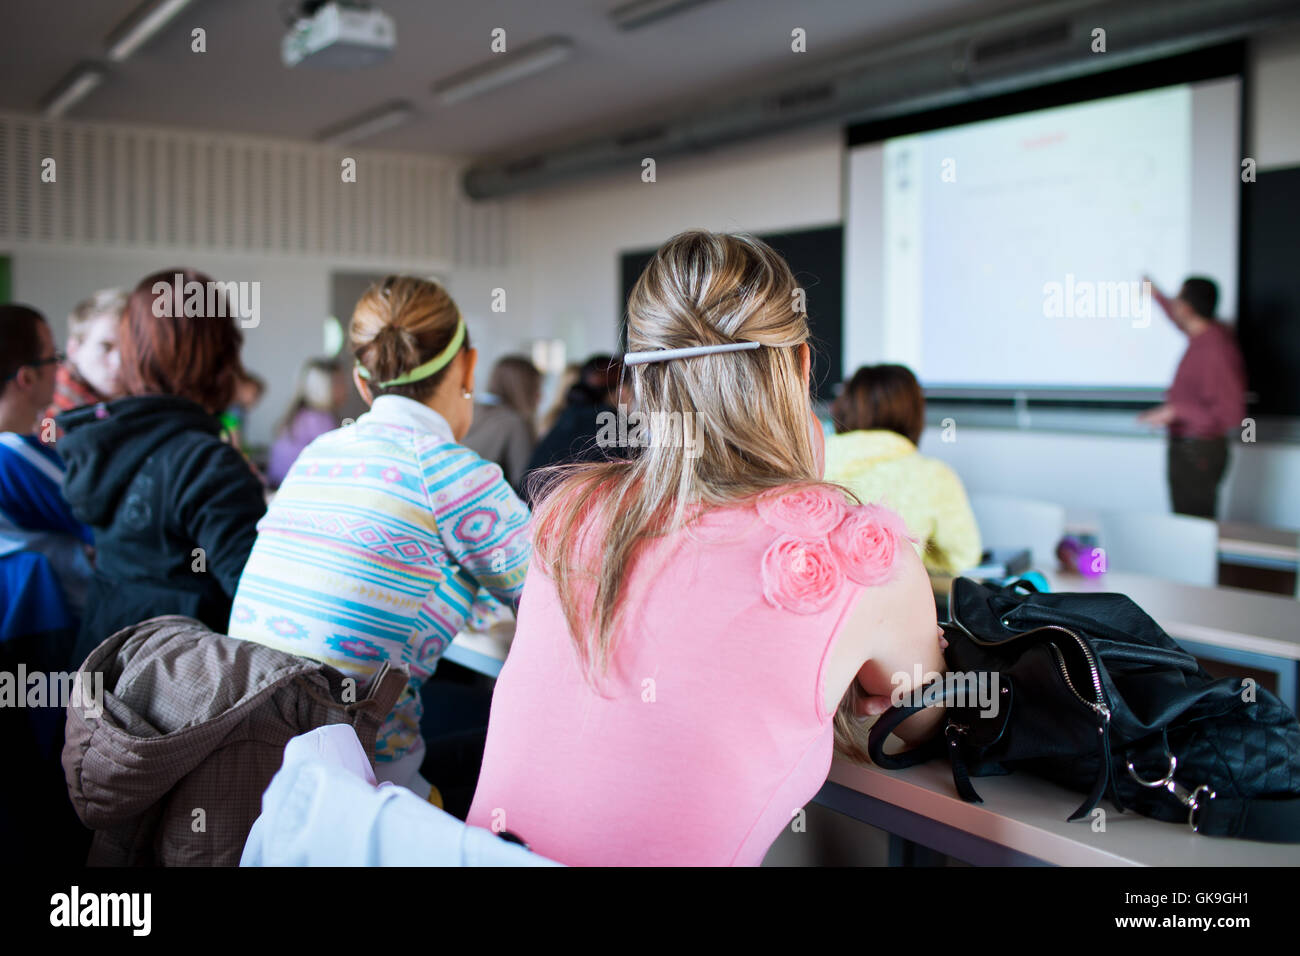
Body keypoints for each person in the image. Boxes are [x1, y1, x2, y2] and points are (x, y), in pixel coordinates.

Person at [467, 231, 944, 866]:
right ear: (799, 367)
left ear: (637, 383)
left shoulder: (569, 512)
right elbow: (920, 721)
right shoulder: (860, 552)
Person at [227, 276, 531, 797]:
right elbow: (566, 603)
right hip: (361, 788)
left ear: (363, 383)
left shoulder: (318, 454)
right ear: (468, 367)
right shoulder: (455, 474)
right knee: (518, 739)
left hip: (250, 764)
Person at [57, 269, 267, 667]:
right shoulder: (204, 461)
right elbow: (261, 610)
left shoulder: (105, 443)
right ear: (222, 353)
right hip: (182, 703)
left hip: (97, 691)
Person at [824, 364, 981, 575]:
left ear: (844, 407)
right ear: (915, 414)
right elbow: (964, 558)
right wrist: (921, 555)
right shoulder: (933, 476)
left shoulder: (807, 463)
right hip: (894, 602)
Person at [0, 305, 94, 625]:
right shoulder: (13, 455)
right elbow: (104, 525)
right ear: (27, 378)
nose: (60, 368)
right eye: (53, 357)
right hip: (57, 637)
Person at [1138, 276, 1247, 518]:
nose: (1174, 304)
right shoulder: (1202, 335)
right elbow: (1175, 316)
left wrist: (1177, 411)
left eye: (1178, 299)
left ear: (1187, 308)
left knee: (1193, 528)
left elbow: (1232, 414)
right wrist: (1154, 292)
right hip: (1188, 447)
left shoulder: (1217, 349)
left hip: (1199, 451)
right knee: (1184, 523)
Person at [522, 353, 629, 502]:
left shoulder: (567, 416)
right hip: (565, 515)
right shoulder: (612, 424)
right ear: (622, 390)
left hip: (538, 511)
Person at [42, 289, 127, 440]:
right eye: (106, 347)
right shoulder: (44, 411)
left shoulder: (142, 402)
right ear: (73, 349)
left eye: (129, 348)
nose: (118, 361)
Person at [462, 355, 542, 497]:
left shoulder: (465, 410)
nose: (541, 395)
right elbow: (526, 480)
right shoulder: (513, 422)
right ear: (524, 389)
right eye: (536, 387)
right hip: (492, 506)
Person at [266, 358, 346, 487]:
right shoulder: (319, 419)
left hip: (279, 485)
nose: (345, 388)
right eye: (339, 382)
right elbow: (336, 460)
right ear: (322, 388)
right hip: (296, 486)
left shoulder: (298, 416)